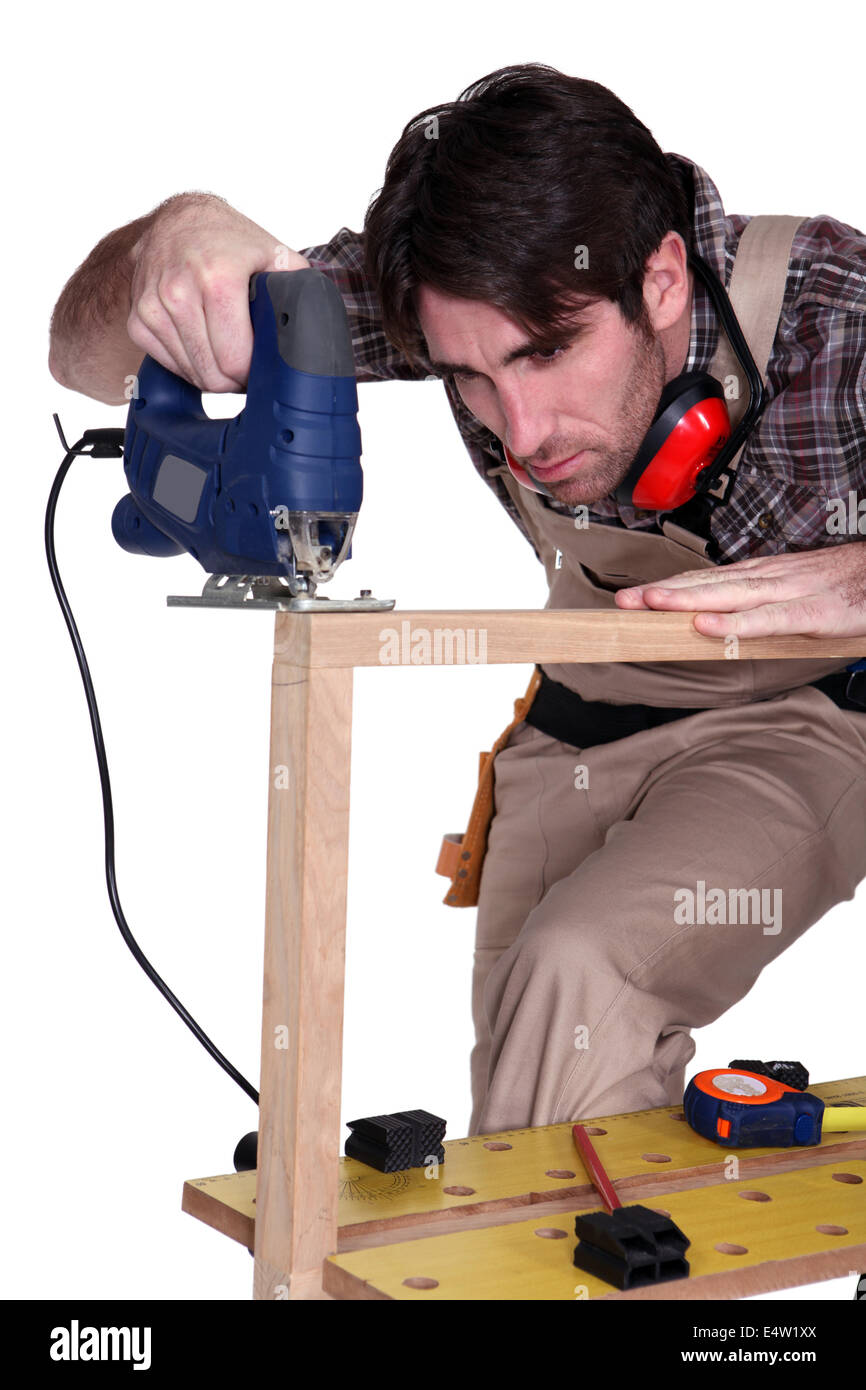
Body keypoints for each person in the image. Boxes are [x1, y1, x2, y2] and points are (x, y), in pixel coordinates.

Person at [49, 64, 866, 1138]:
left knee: (580, 975)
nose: (517, 432)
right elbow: (79, 356)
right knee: (534, 1128)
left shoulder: (833, 320)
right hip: (577, 719)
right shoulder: (442, 294)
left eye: (545, 352)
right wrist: (176, 238)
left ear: (661, 280)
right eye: (467, 377)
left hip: (803, 719)